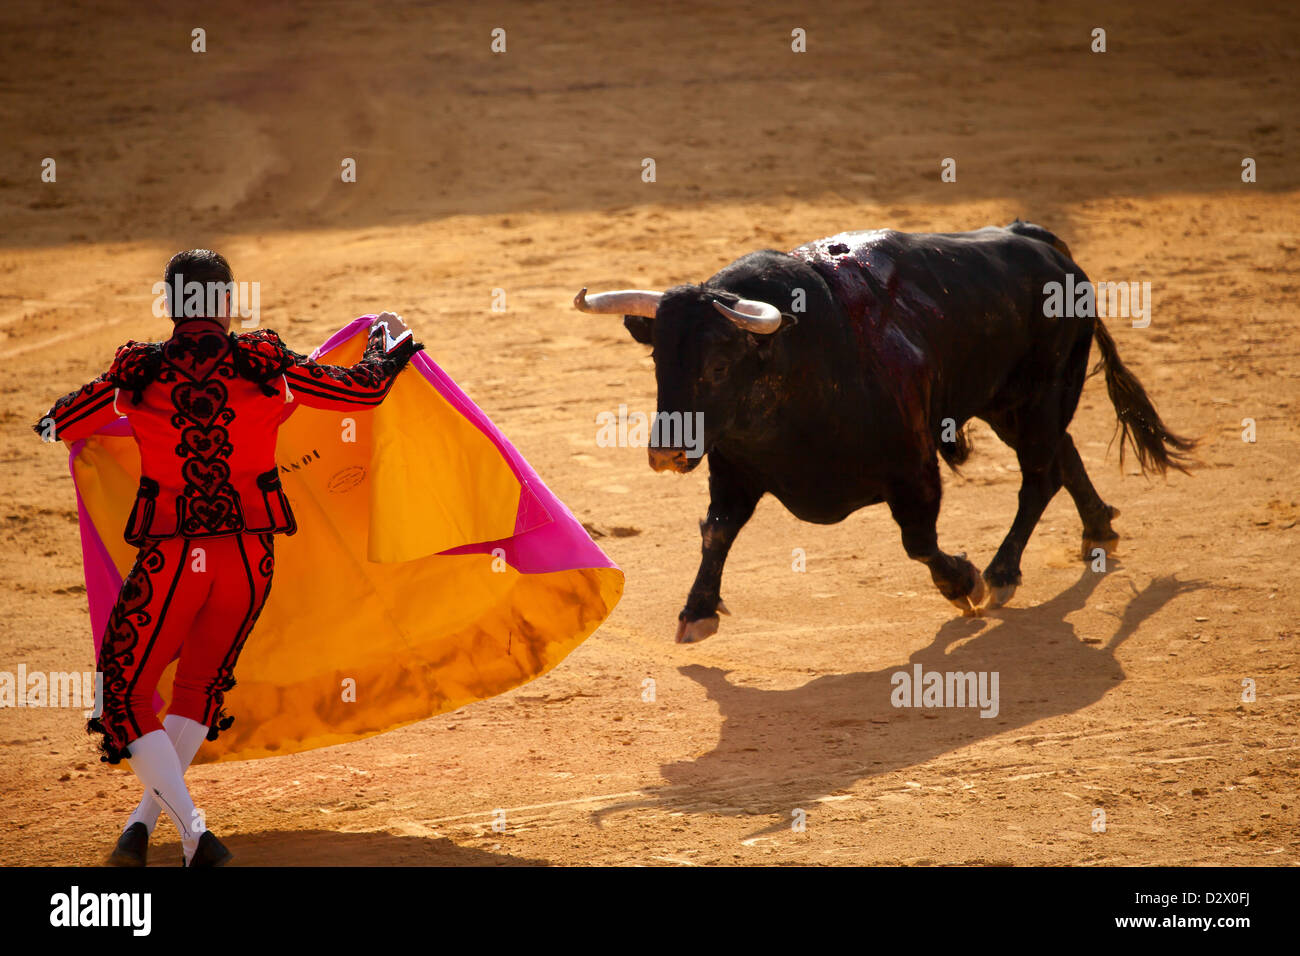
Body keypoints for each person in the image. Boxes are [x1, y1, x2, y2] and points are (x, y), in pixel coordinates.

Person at [34, 249, 421, 867]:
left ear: (171, 303)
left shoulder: (139, 376)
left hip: (173, 559)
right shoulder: (268, 367)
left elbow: (56, 425)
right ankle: (142, 827)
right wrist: (387, 341)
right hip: (248, 559)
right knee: (198, 687)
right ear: (228, 303)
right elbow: (367, 391)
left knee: (123, 692)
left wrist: (109, 416)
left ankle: (196, 834)